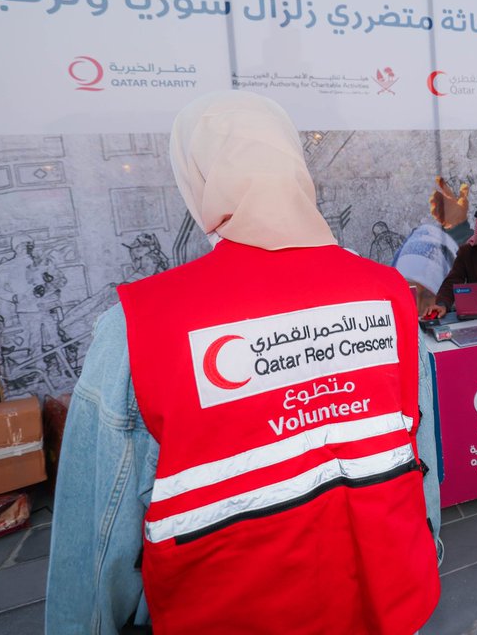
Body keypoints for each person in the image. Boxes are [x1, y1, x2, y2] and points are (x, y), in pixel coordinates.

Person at [46, 91, 440, 634]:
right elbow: (417, 452)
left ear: (197, 179)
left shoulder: (140, 326)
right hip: (388, 599)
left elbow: (99, 531)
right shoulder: (386, 291)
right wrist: (428, 549)